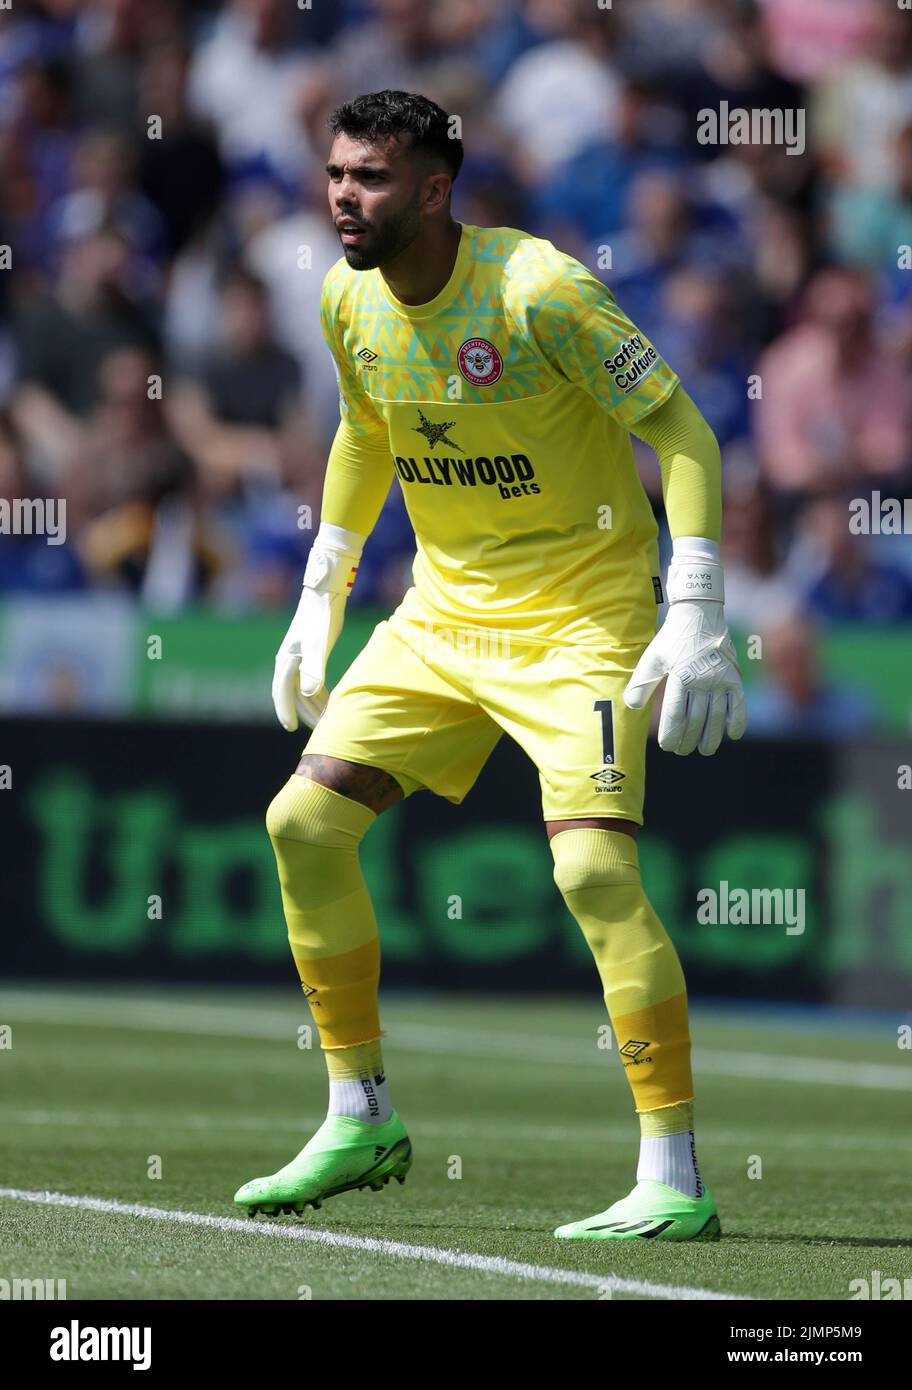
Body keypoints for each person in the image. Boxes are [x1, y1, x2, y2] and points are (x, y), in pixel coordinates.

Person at [234, 90, 746, 1243]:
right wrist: (326, 583)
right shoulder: (343, 298)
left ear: (432, 188)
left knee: (593, 879)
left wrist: (700, 602)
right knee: (302, 825)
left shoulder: (541, 291)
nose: (342, 196)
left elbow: (686, 435)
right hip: (443, 617)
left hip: (585, 624)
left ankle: (675, 1172)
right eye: (334, 172)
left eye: (369, 176)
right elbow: (370, 429)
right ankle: (358, 1110)